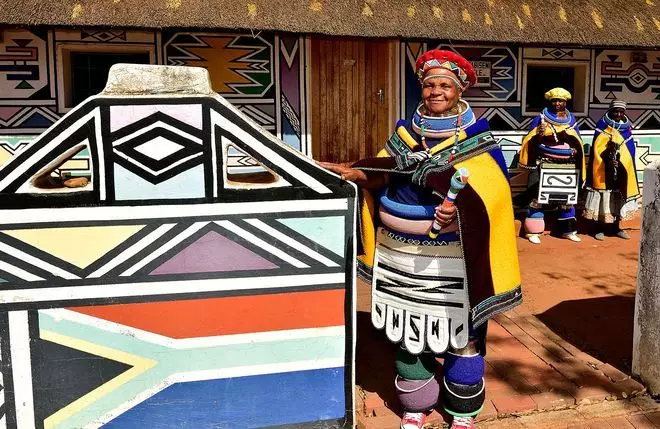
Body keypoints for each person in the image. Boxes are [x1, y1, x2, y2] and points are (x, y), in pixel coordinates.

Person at [319, 50, 522, 429]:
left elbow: (492, 192)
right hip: (402, 256)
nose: (436, 91)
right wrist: (358, 173)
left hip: (454, 260)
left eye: (445, 85)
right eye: (430, 85)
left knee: (464, 334)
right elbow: (383, 171)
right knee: (409, 331)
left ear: (460, 90)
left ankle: (462, 411)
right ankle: (416, 405)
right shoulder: (405, 136)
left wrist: (460, 211)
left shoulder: (480, 142)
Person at [518, 88, 586, 244]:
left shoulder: (571, 119)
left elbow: (577, 138)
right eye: (554, 101)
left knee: (567, 198)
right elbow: (530, 139)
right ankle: (533, 231)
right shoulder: (541, 118)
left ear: (565, 102)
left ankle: (568, 230)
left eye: (560, 101)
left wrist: (574, 146)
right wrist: (540, 134)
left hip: (566, 163)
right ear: (550, 101)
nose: (557, 104)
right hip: (543, 162)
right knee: (538, 198)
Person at [583, 100, 639, 240]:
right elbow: (597, 146)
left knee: (617, 197)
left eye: (621, 111)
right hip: (603, 169)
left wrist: (621, 160)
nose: (618, 114)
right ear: (610, 111)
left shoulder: (627, 129)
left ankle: (616, 228)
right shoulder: (602, 125)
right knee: (603, 198)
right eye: (615, 111)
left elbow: (630, 150)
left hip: (620, 169)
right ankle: (599, 229)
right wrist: (608, 157)